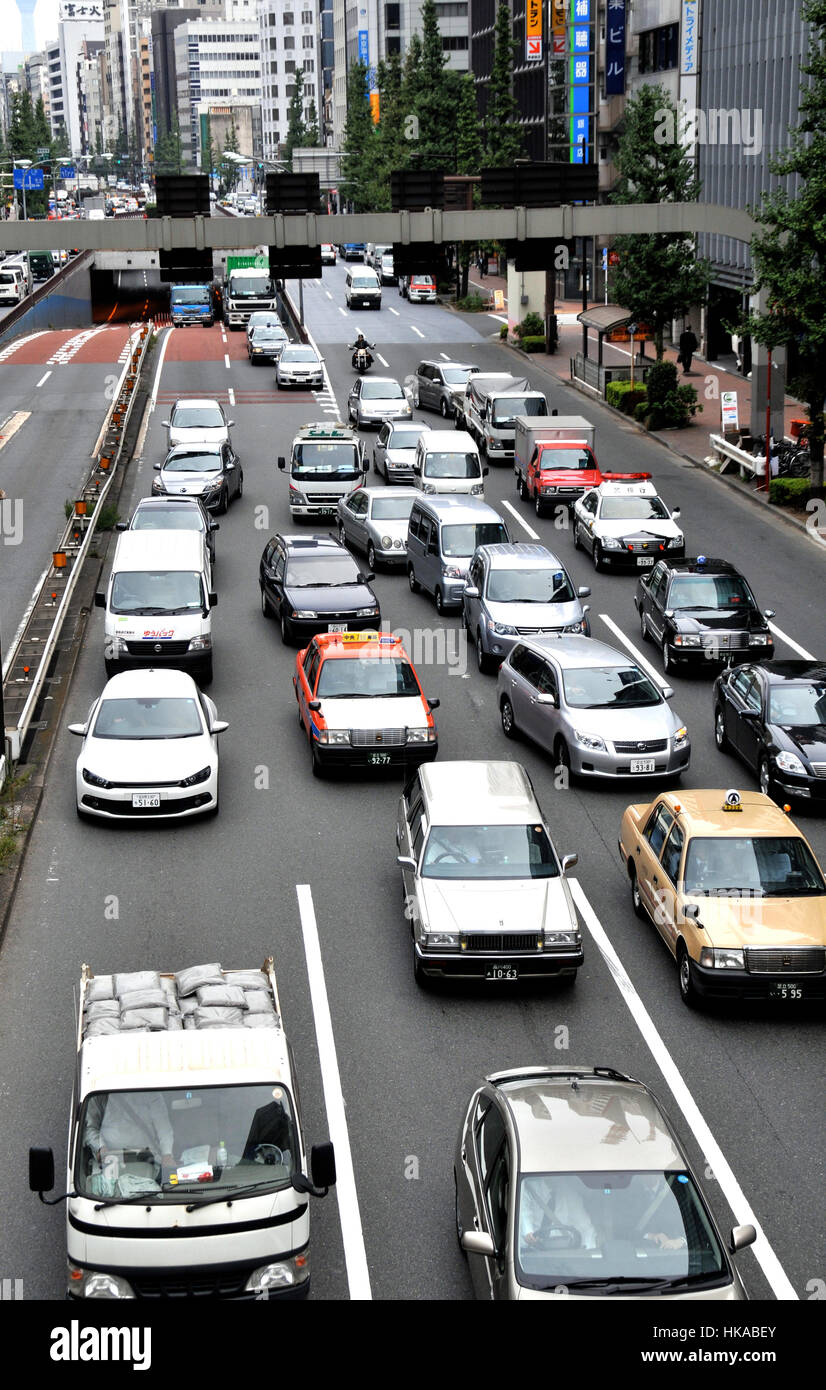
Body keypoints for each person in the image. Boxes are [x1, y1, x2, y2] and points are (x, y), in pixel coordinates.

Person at [84, 1090, 175, 1175]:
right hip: (110, 1159)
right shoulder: (98, 1093)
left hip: (147, 1158)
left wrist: (167, 1154)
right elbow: (90, 1127)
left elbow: (163, 1125)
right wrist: (100, 1148)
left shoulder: (150, 1091)